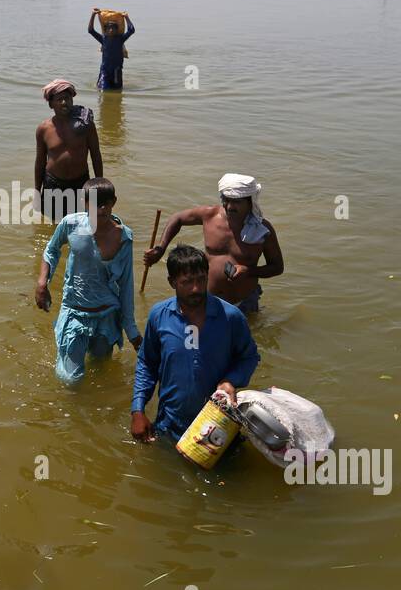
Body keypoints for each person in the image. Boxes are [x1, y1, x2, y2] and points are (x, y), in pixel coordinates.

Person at [131, 244, 259, 443]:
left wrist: (231, 380)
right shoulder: (159, 316)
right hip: (169, 424)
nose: (196, 288)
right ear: (172, 282)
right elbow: (147, 363)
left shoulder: (231, 317)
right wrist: (137, 410)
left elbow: (249, 357)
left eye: (201, 279)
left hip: (219, 423)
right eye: (187, 282)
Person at [35, 177, 141, 383]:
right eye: (93, 204)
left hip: (107, 316)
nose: (100, 209)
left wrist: (131, 330)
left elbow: (127, 285)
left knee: (101, 372)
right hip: (75, 313)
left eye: (105, 204)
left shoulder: (125, 237)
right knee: (70, 380)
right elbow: (51, 249)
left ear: (114, 202)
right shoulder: (71, 224)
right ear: (84, 202)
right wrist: (42, 282)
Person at [143, 173, 283, 313]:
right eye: (226, 200)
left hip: (244, 302)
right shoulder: (210, 215)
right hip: (207, 300)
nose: (229, 207)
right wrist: (160, 249)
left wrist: (249, 271)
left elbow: (277, 267)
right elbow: (178, 218)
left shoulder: (262, 230)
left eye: (236, 202)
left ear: (250, 202)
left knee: (248, 334)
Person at [35, 78, 102, 220]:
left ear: (72, 99)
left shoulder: (85, 125)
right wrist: (36, 190)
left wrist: (99, 183)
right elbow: (40, 162)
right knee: (52, 223)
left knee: (82, 223)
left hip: (80, 183)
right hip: (53, 183)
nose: (64, 103)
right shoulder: (43, 129)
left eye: (67, 98)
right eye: (59, 99)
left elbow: (95, 154)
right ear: (51, 104)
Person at [87, 8, 135, 91]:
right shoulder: (103, 39)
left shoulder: (120, 39)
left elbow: (131, 30)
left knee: (117, 90)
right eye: (109, 28)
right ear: (105, 30)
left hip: (117, 70)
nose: (111, 30)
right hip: (105, 70)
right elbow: (90, 30)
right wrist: (93, 15)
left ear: (117, 30)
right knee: (103, 89)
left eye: (113, 28)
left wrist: (126, 17)